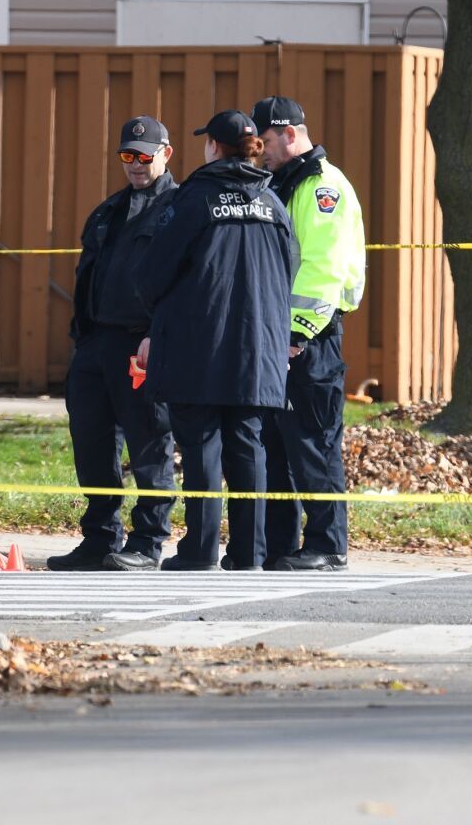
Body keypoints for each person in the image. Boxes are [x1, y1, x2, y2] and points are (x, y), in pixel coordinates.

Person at [135, 110, 298, 572]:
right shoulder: (273, 203)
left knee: (203, 444)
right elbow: (290, 266)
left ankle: (201, 550)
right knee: (248, 446)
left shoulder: (194, 200)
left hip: (197, 345)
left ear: (213, 147)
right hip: (258, 349)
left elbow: (151, 273)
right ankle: (249, 553)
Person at [50, 116, 181, 572]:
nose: (135, 164)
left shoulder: (179, 209)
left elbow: (184, 284)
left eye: (144, 156)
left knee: (149, 443)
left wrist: (159, 335)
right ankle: (101, 537)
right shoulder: (108, 210)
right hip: (96, 343)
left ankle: (148, 540)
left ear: (166, 153)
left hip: (142, 344)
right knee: (92, 443)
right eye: (127, 156)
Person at [252, 96, 367, 571]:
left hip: (308, 337)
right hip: (281, 335)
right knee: (279, 446)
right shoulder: (286, 182)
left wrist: (296, 333)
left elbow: (322, 268)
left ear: (290, 134)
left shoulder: (323, 188)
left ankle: (326, 545)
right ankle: (281, 545)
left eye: (267, 140)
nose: (261, 151)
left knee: (314, 443)